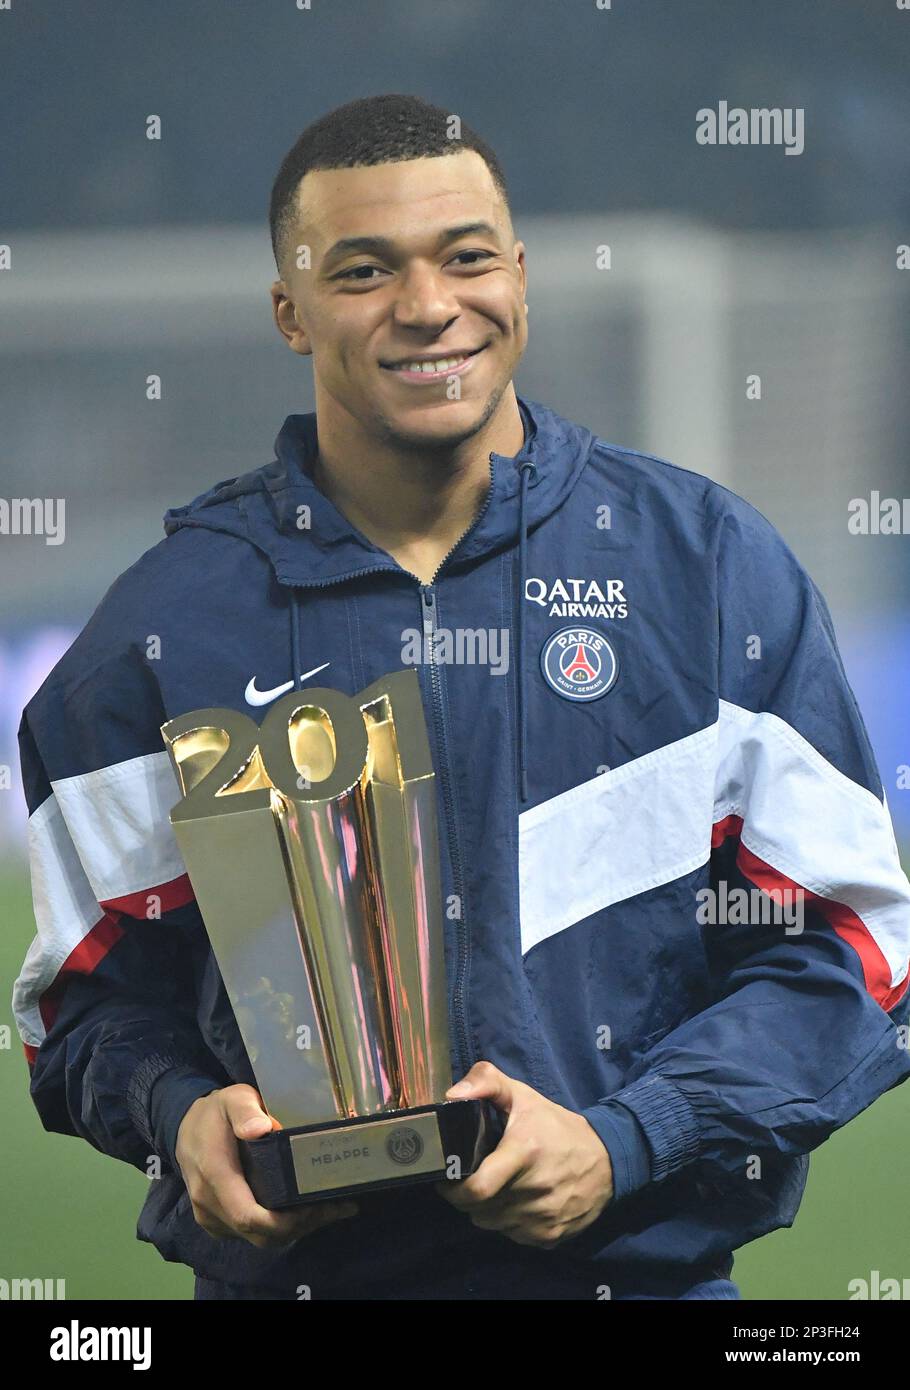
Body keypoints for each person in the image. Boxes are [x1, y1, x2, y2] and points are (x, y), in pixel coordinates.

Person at [13, 93, 910, 1302]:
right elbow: (88, 1000)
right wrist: (177, 1114)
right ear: (290, 310)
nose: (428, 306)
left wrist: (624, 1137)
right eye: (365, 269)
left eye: (466, 257)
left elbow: (854, 943)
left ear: (522, 281)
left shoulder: (704, 571)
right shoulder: (163, 632)